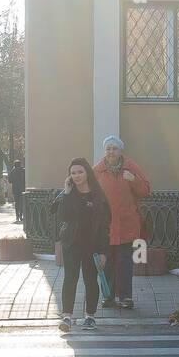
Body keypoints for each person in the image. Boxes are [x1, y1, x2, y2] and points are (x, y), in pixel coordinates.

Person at [49, 158, 110, 331]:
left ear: (87, 173)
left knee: (91, 280)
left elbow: (105, 225)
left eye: (80, 172)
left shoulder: (98, 194)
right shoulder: (68, 194)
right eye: (73, 173)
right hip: (72, 244)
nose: (76, 176)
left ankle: (90, 316)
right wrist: (67, 193)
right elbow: (62, 217)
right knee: (70, 279)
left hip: (93, 246)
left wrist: (104, 251)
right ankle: (67, 317)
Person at [94, 135, 150, 310]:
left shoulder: (130, 166)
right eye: (108, 149)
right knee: (107, 263)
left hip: (127, 225)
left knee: (125, 263)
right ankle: (108, 296)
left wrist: (133, 180)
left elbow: (146, 190)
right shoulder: (97, 170)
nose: (111, 152)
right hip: (106, 226)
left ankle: (125, 297)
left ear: (120, 151)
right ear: (105, 151)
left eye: (114, 148)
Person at [8, 157, 26, 224]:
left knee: (17, 203)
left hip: (15, 190)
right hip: (22, 189)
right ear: (20, 164)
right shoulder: (24, 170)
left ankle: (17, 216)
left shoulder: (13, 171)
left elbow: (9, 181)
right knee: (22, 203)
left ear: (14, 165)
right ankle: (21, 216)